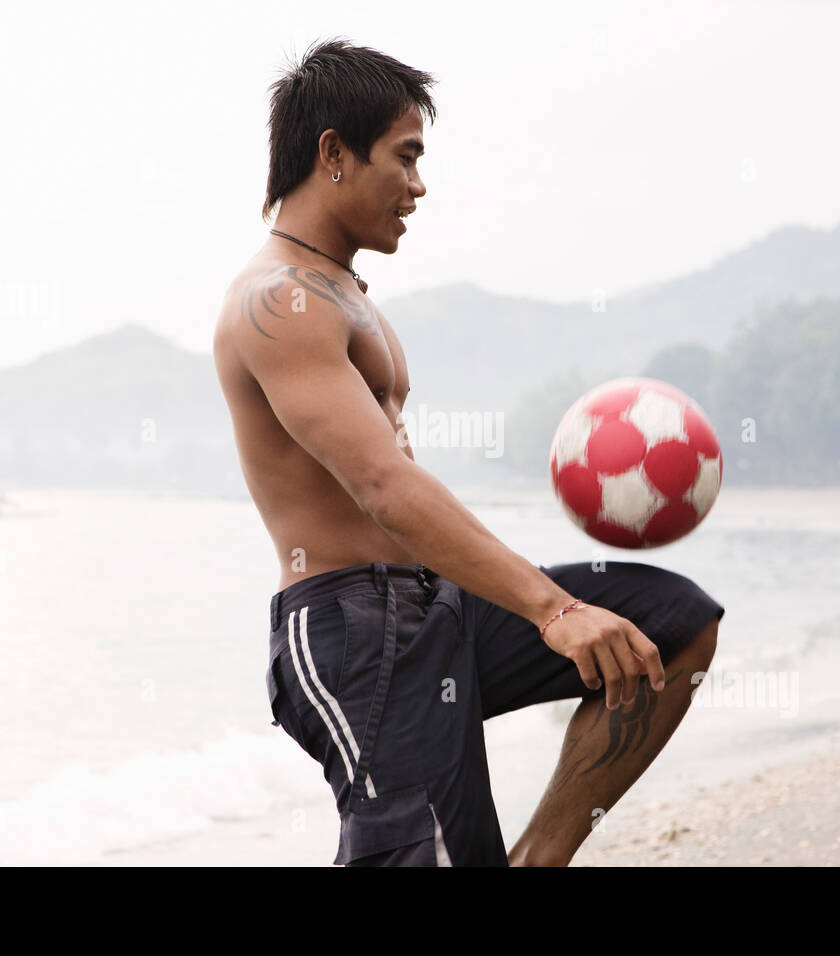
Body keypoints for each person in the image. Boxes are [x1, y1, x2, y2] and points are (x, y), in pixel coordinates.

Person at [212, 37, 723, 867]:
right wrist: (554, 610)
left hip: (429, 604)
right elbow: (382, 484)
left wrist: (543, 601)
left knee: (669, 626)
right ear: (333, 154)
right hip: (350, 630)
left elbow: (400, 487)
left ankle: (541, 856)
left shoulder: (346, 293)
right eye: (405, 157)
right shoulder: (280, 301)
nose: (418, 185)